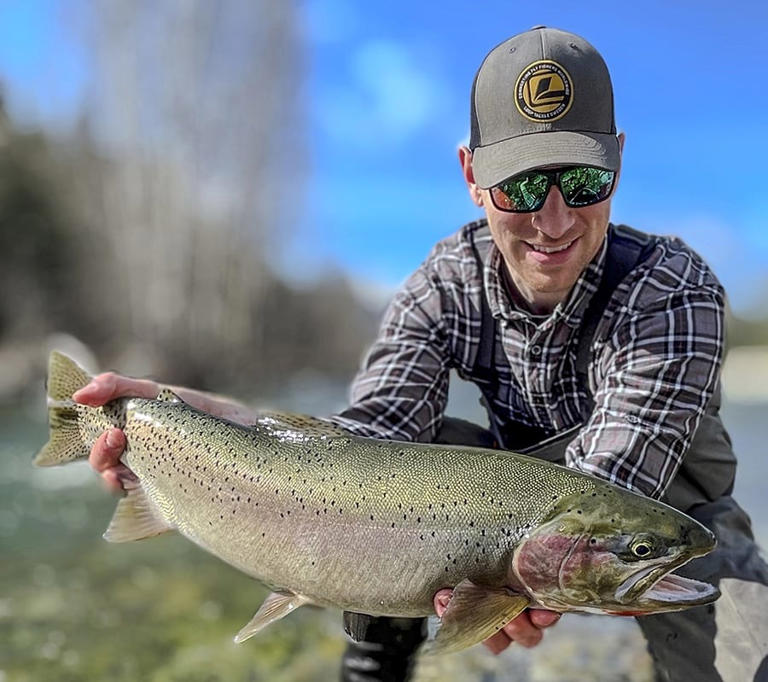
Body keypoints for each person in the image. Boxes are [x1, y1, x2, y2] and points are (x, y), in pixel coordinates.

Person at [77, 26, 768, 682]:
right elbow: (365, 437)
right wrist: (222, 429)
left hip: (655, 517)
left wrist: (519, 581)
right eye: (523, 186)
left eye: (584, 182)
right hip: (509, 522)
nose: (554, 221)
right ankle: (372, 664)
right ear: (472, 175)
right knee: (389, 471)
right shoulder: (443, 285)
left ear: (617, 159)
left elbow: (609, 487)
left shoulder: (672, 289)